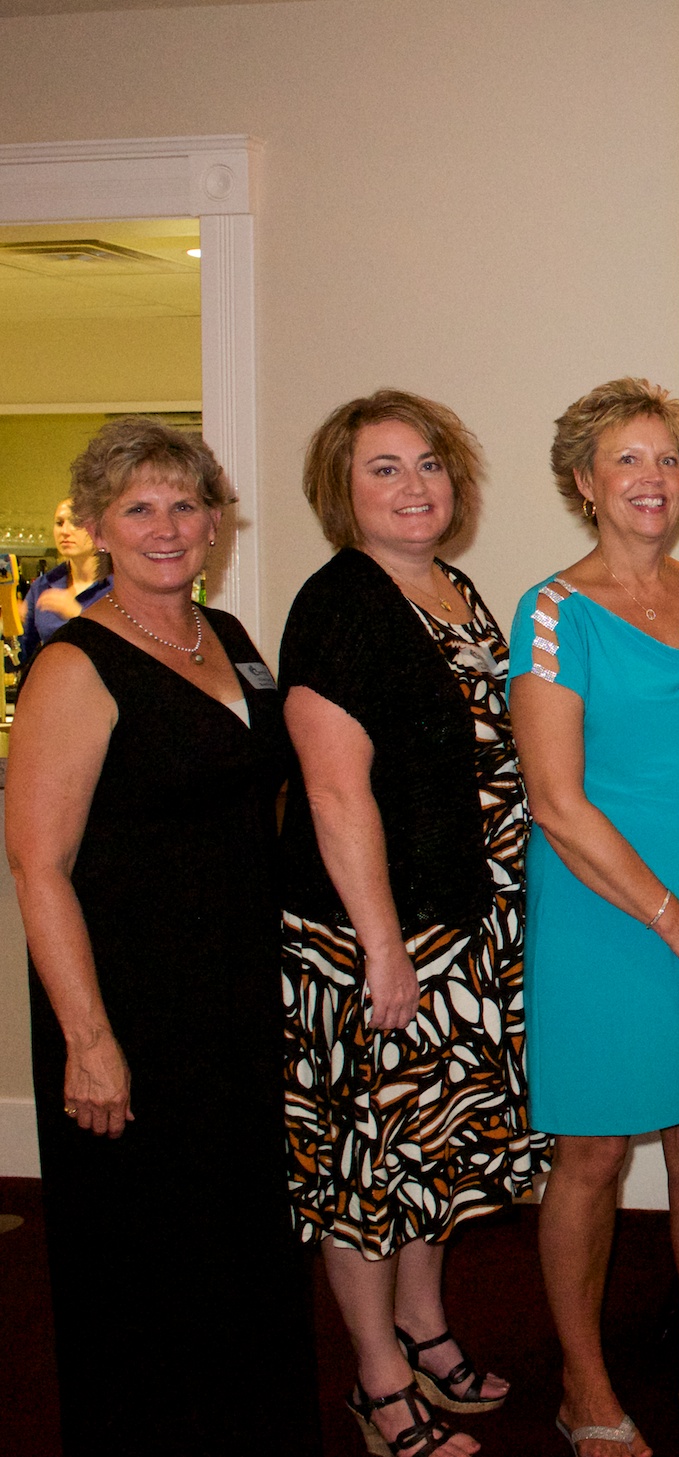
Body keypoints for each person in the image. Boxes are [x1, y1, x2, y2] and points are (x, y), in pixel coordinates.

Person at [7, 418, 320, 1454]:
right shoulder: (75, 664)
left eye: (186, 503)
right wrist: (89, 1039)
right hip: (128, 998)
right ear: (98, 527)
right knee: (144, 1247)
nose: (167, 525)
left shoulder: (229, 637)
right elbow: (38, 865)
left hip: (232, 987)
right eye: (138, 507)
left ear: (216, 521)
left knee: (237, 1230)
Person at [510, 377, 679, 1457]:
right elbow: (556, 802)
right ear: (584, 481)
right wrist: (673, 921)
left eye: (668, 457)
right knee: (590, 1153)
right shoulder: (552, 611)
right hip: (608, 923)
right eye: (626, 458)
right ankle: (584, 1382)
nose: (652, 477)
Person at [280, 390, 543, 1457]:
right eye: (383, 468)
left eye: (428, 463)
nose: (414, 485)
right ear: (341, 491)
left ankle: (425, 1327)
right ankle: (378, 1379)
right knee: (370, 1163)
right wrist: (384, 949)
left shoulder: (452, 590)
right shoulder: (340, 604)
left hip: (465, 924)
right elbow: (336, 793)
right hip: (373, 938)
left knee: (438, 1150)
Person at [16, 495, 112, 674]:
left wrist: (77, 616)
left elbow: (130, 657)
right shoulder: (43, 585)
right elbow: (19, 657)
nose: (65, 531)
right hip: (53, 685)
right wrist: (11, 625)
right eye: (59, 523)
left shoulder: (120, 587)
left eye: (76, 522)